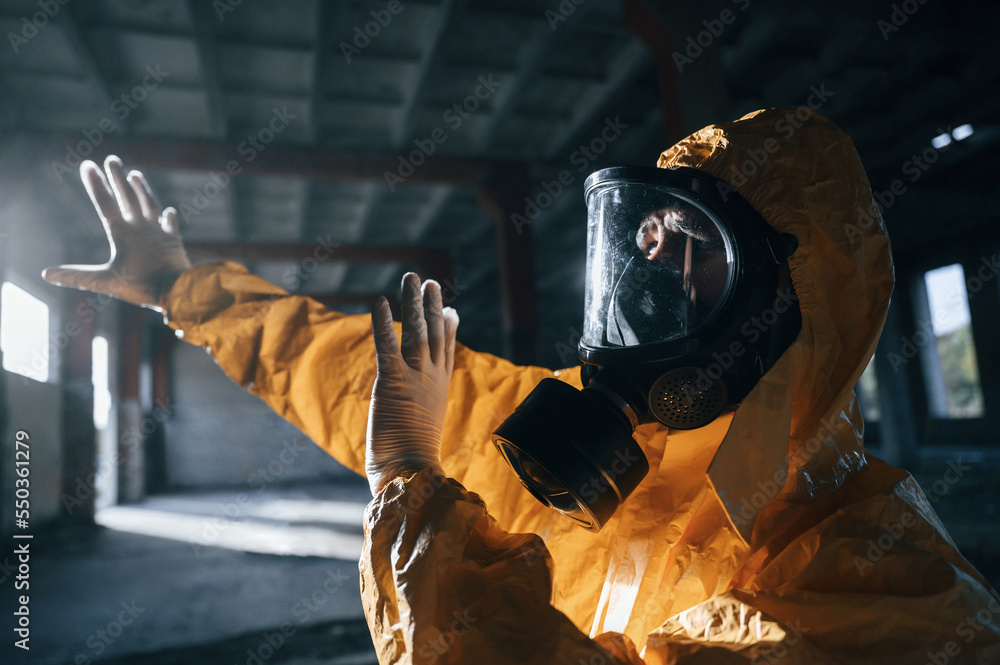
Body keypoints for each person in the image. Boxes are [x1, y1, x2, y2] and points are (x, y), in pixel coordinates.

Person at [43, 109, 1000, 664]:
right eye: (642, 237)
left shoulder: (894, 588)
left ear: (786, 300)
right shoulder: (598, 444)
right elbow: (340, 366)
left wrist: (412, 493)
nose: (648, 271)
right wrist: (183, 289)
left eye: (692, 245)